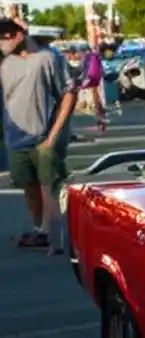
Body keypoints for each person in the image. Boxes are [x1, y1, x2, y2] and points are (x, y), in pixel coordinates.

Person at [1, 17, 76, 254]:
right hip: (16, 139)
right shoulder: (4, 63)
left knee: (49, 188)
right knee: (29, 186)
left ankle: (55, 239)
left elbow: (69, 94)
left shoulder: (48, 58)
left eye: (5, 37)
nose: (2, 43)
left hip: (45, 137)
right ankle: (40, 231)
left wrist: (53, 135)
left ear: (19, 35)